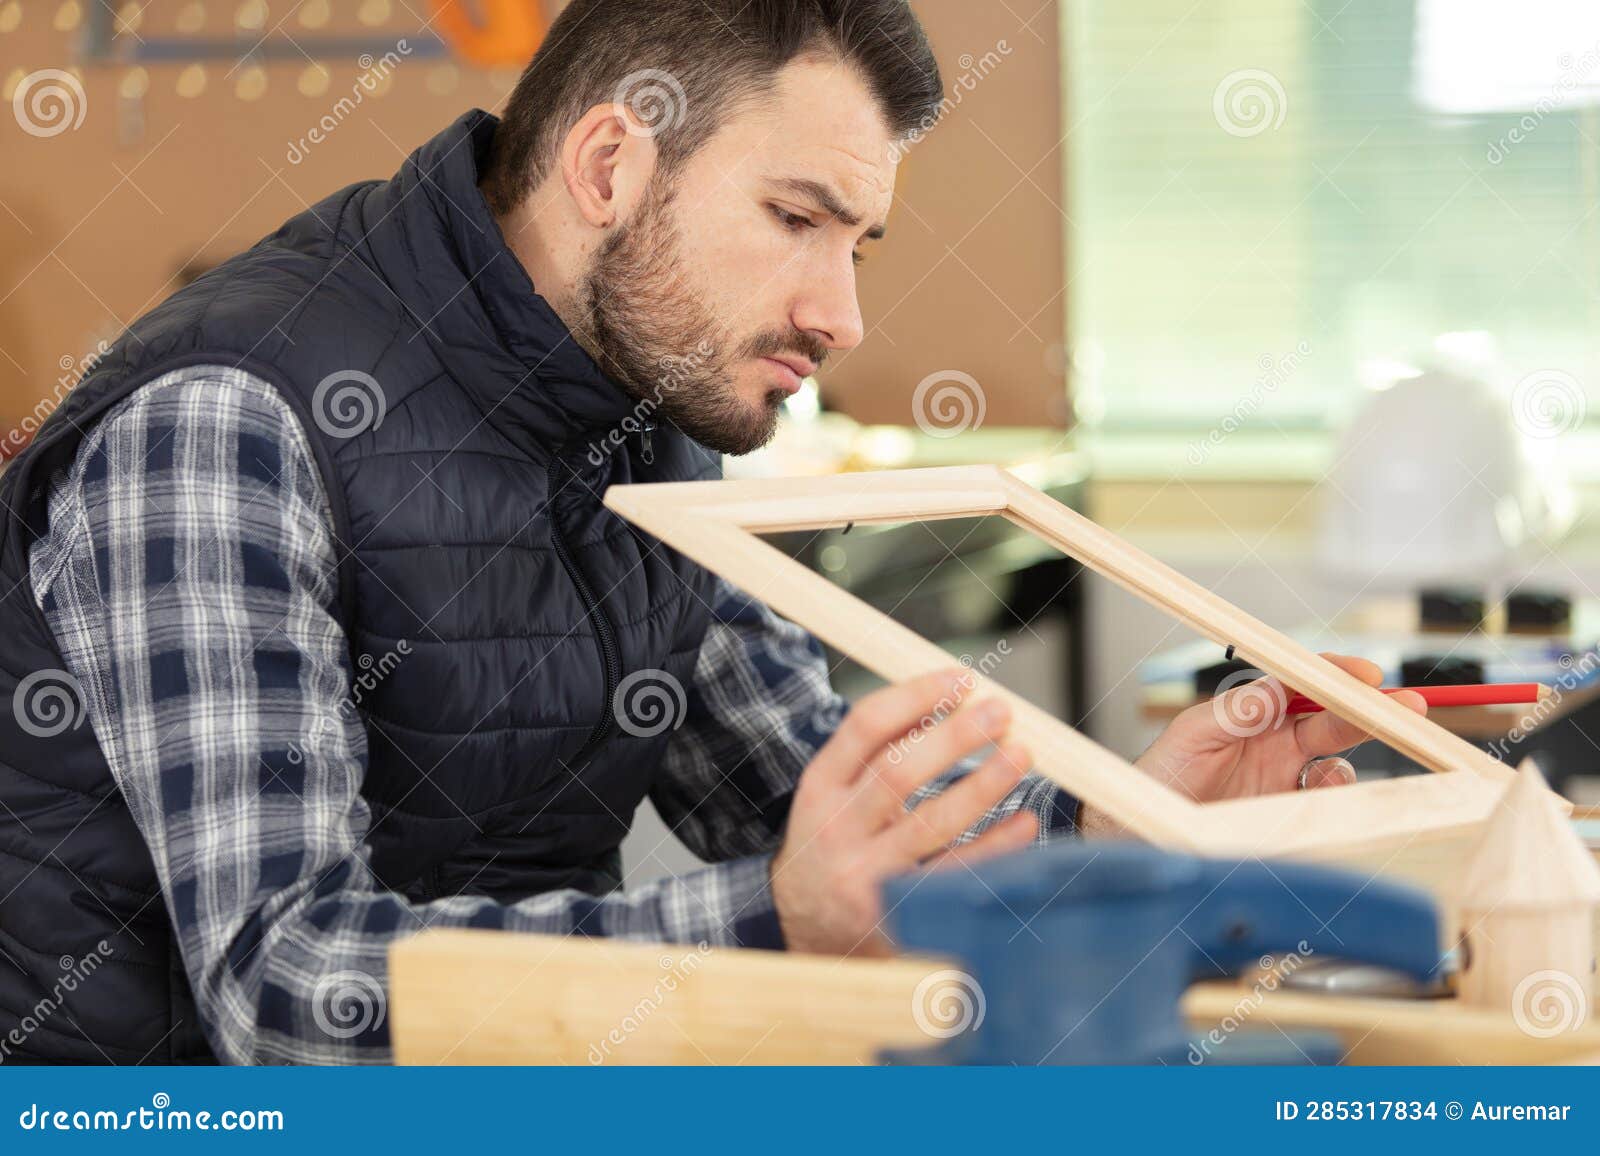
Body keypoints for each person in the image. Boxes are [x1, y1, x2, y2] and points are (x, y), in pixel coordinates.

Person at [0, 0, 1418, 1064]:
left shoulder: (656, 414)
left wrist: (1108, 829)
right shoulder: (227, 421)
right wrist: (783, 918)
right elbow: (284, 990)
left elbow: (818, 815)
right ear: (611, 166)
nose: (839, 316)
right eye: (796, 217)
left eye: (855, 243)